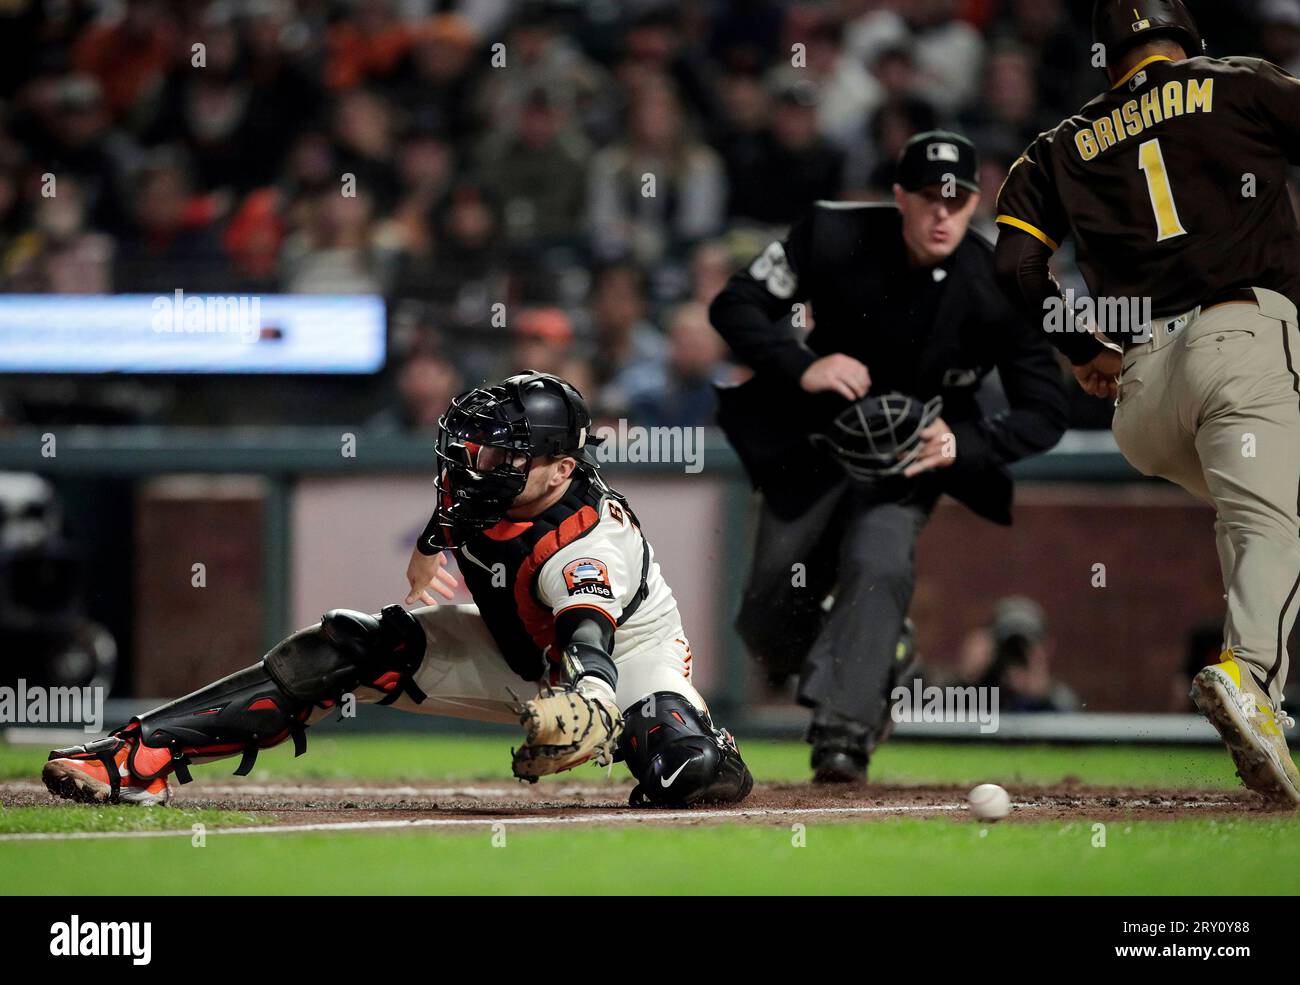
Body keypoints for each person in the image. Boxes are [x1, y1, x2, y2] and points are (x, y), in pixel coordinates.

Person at [42, 373, 752, 809]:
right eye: (479, 447)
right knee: (345, 645)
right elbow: (450, 520)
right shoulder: (481, 491)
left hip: (622, 662)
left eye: (504, 454)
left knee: (679, 767)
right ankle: (140, 754)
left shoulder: (586, 545)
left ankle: (700, 742)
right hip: (515, 646)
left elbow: (587, 637)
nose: (480, 463)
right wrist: (425, 555)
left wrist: (593, 697)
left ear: (561, 469)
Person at [993, 0, 1300, 803]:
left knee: (1260, 517)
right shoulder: (1237, 83)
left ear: (1109, 56)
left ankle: (1254, 677)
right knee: (1271, 517)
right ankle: (1251, 678)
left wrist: (1082, 349)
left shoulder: (1057, 144)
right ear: (1185, 36)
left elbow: (1016, 270)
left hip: (1143, 391)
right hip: (1241, 340)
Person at [709, 131, 1067, 782]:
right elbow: (735, 305)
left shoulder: (1000, 283)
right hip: (813, 445)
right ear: (898, 197)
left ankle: (843, 733)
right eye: (928, 197)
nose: (942, 213)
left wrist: (967, 441)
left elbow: (1046, 408)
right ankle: (889, 655)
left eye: (957, 200)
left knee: (877, 563)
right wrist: (804, 364)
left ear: (976, 202)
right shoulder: (832, 234)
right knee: (766, 614)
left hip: (910, 462)